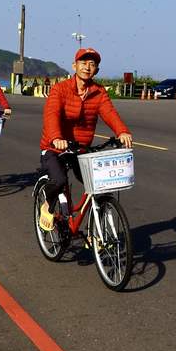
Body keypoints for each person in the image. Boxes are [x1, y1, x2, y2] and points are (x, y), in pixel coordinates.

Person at [38, 48, 133, 228]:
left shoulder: (99, 92)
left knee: (99, 184)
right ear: (75, 66)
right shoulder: (60, 89)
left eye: (92, 64)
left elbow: (109, 112)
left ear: (96, 69)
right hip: (54, 147)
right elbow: (51, 114)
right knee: (59, 181)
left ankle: (95, 231)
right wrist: (56, 137)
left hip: (81, 148)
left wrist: (122, 131)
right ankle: (48, 204)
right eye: (83, 63)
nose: (87, 67)